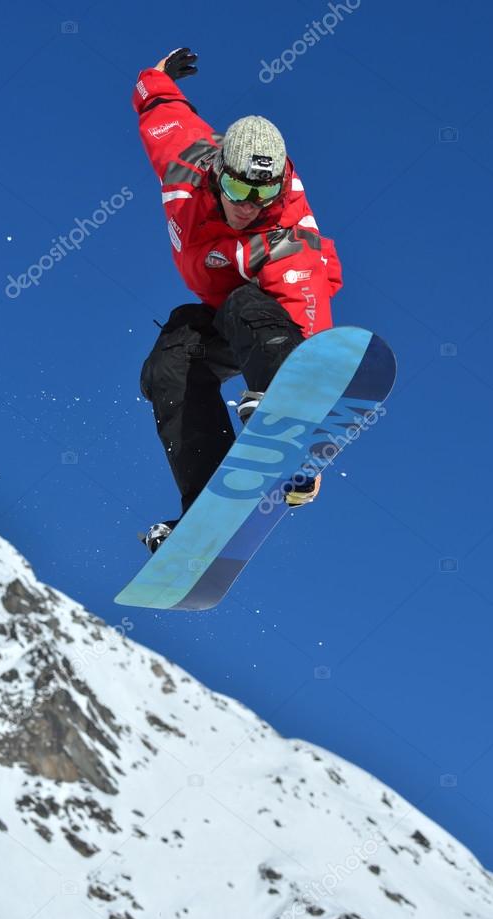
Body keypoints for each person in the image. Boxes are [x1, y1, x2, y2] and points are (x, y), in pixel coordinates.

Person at [134, 47, 343, 553]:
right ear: (217, 172)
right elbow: (161, 113)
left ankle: (277, 396)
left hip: (273, 322)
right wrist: (156, 77)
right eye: (236, 188)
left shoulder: (287, 238)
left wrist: (305, 449)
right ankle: (208, 503)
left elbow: (308, 322)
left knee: (242, 304)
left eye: (263, 195)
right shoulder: (186, 162)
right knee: (169, 363)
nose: (248, 206)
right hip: (224, 325)